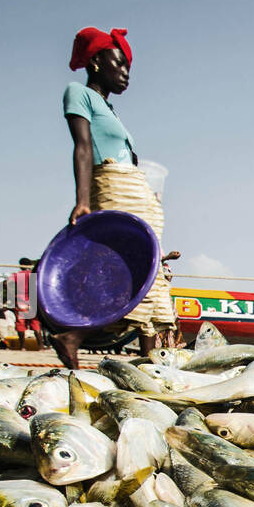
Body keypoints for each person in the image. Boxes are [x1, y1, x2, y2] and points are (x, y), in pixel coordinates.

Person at [52, 25, 173, 369]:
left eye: (128, 68)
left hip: (136, 191)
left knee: (152, 275)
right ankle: (73, 336)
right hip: (114, 187)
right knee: (129, 274)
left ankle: (151, 363)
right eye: (119, 64)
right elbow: (83, 147)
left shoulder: (110, 109)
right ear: (95, 62)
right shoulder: (79, 93)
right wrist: (83, 199)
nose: (125, 74)